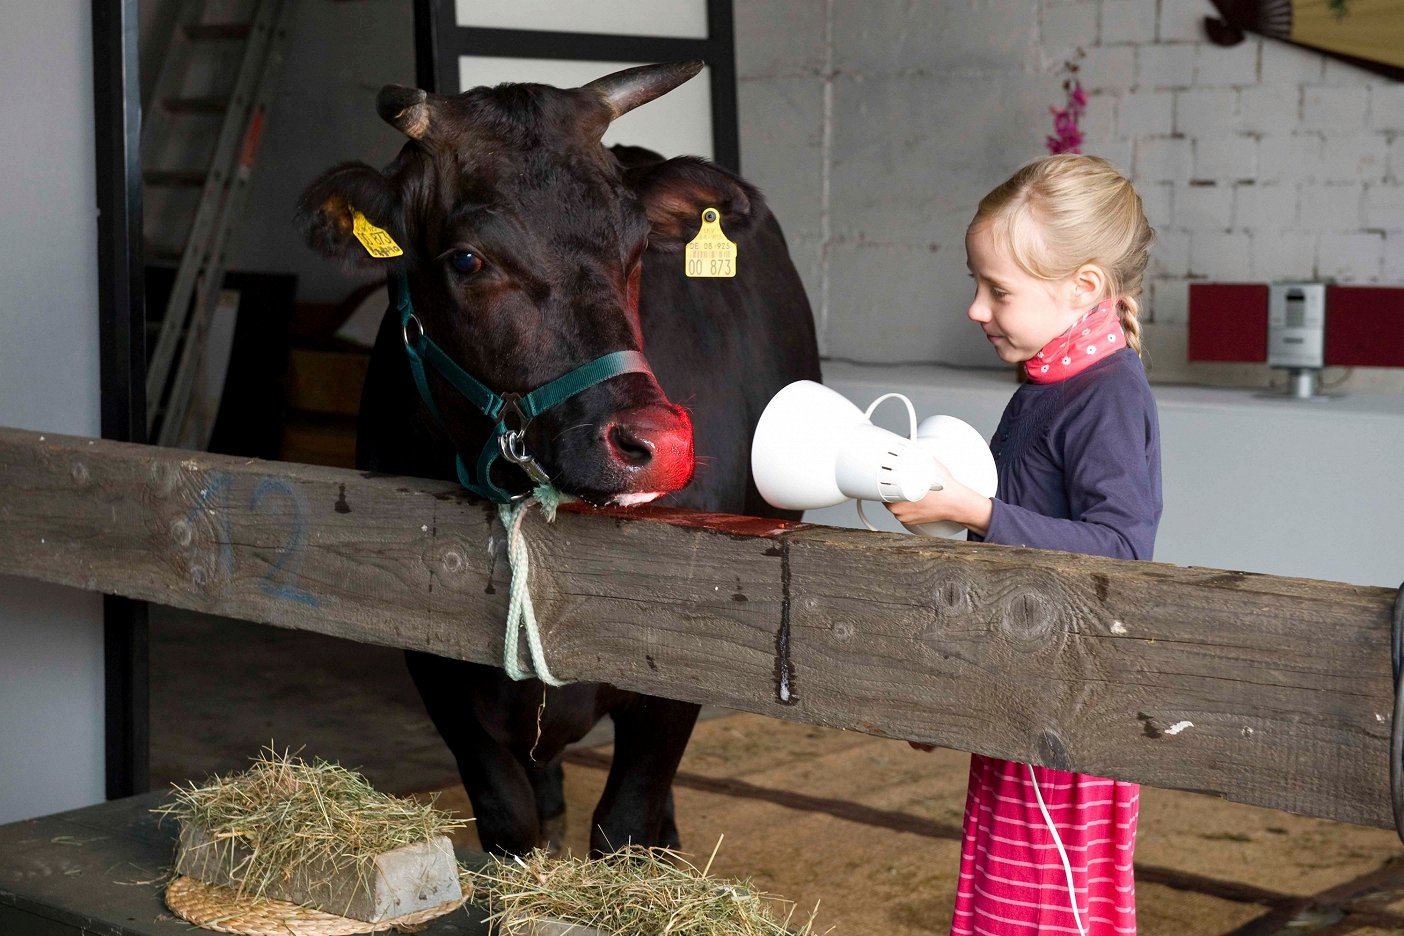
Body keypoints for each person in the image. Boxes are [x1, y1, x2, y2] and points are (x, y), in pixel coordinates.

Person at [889, 153, 1162, 936]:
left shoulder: (1107, 396)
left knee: (1042, 912)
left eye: (998, 290)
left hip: (1071, 703)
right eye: (978, 284)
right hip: (1022, 681)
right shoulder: (1045, 386)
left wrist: (974, 509)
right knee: (999, 900)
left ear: (1083, 289)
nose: (977, 308)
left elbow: (1119, 550)